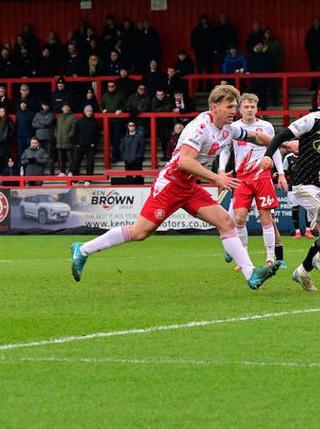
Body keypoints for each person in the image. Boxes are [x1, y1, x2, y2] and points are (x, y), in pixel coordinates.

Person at [70, 84, 281, 290]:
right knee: (140, 232)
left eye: (235, 107)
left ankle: (251, 274)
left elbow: (255, 136)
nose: (234, 112)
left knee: (225, 221)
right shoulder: (199, 127)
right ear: (214, 107)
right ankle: (84, 250)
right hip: (170, 185)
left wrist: (282, 143)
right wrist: (216, 178)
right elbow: (185, 162)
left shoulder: (228, 128)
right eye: (230, 107)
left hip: (189, 186)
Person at [260, 84, 320, 292]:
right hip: (303, 184)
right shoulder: (313, 120)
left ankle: (302, 271)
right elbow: (281, 136)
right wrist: (268, 156)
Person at [218, 93, 287, 267]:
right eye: (246, 107)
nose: (249, 110)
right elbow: (225, 150)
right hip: (242, 179)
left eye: (252, 107)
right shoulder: (232, 127)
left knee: (266, 219)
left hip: (262, 177)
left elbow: (275, 149)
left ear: (257, 108)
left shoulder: (266, 126)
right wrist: (221, 169)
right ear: (240, 108)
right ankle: (244, 258)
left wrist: (281, 173)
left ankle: (270, 257)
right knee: (239, 220)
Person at [282, 147, 314, 239]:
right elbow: (284, 171)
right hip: (293, 187)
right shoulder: (288, 157)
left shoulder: (306, 155)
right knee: (295, 209)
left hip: (306, 186)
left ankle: (308, 230)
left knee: (308, 209)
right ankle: (297, 232)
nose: (297, 148)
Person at [70, 105, 99, 177]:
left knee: (90, 163)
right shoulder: (79, 121)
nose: (89, 113)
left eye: (90, 111)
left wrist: (94, 143)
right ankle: (75, 179)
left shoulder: (95, 122)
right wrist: (76, 143)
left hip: (90, 146)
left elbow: (97, 134)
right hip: (80, 145)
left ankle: (89, 179)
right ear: (84, 112)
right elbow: (75, 133)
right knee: (76, 162)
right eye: (87, 111)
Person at [32, 101, 55, 174]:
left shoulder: (51, 114)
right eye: (44, 105)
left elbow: (48, 122)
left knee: (49, 154)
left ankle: (51, 170)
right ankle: (41, 170)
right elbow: (33, 124)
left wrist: (39, 121)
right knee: (39, 154)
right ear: (42, 105)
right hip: (39, 137)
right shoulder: (37, 114)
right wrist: (43, 124)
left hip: (48, 137)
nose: (45, 107)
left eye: (47, 105)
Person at [55, 103, 75, 175]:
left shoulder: (72, 117)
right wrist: (56, 135)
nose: (66, 108)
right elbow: (56, 128)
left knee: (70, 158)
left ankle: (71, 171)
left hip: (68, 141)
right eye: (64, 107)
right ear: (62, 109)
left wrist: (70, 135)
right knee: (61, 158)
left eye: (67, 107)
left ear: (69, 108)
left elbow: (74, 128)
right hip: (60, 141)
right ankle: (62, 171)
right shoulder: (59, 117)